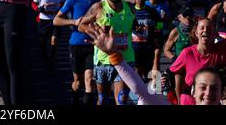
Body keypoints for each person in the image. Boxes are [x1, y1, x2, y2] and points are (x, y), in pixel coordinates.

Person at [86, 23, 224, 105]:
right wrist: (113, 54)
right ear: (193, 90)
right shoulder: (188, 53)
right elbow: (141, 91)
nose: (208, 93)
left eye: (214, 88)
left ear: (222, 92)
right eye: (203, 87)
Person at [79, 0, 135, 105]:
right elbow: (81, 25)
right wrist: (96, 31)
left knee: (122, 99)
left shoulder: (130, 8)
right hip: (103, 60)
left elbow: (135, 25)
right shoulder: (99, 7)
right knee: (103, 99)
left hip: (125, 59)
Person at [54, 0, 102, 105]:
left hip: (93, 44)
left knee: (89, 80)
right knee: (78, 81)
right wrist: (73, 22)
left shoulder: (99, 0)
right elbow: (56, 20)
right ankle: (74, 99)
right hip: (76, 44)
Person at [169, 17, 226, 105]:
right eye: (202, 28)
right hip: (191, 100)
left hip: (213, 99)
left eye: (209, 28)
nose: (205, 30)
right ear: (196, 33)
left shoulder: (221, 48)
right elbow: (172, 73)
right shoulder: (187, 53)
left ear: (215, 34)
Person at [32, 0, 65, 74]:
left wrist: (61, 10)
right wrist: (39, 9)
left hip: (55, 20)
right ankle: (46, 58)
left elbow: (63, 3)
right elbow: (33, 3)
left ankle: (51, 63)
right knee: (43, 43)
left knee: (53, 42)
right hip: (43, 21)